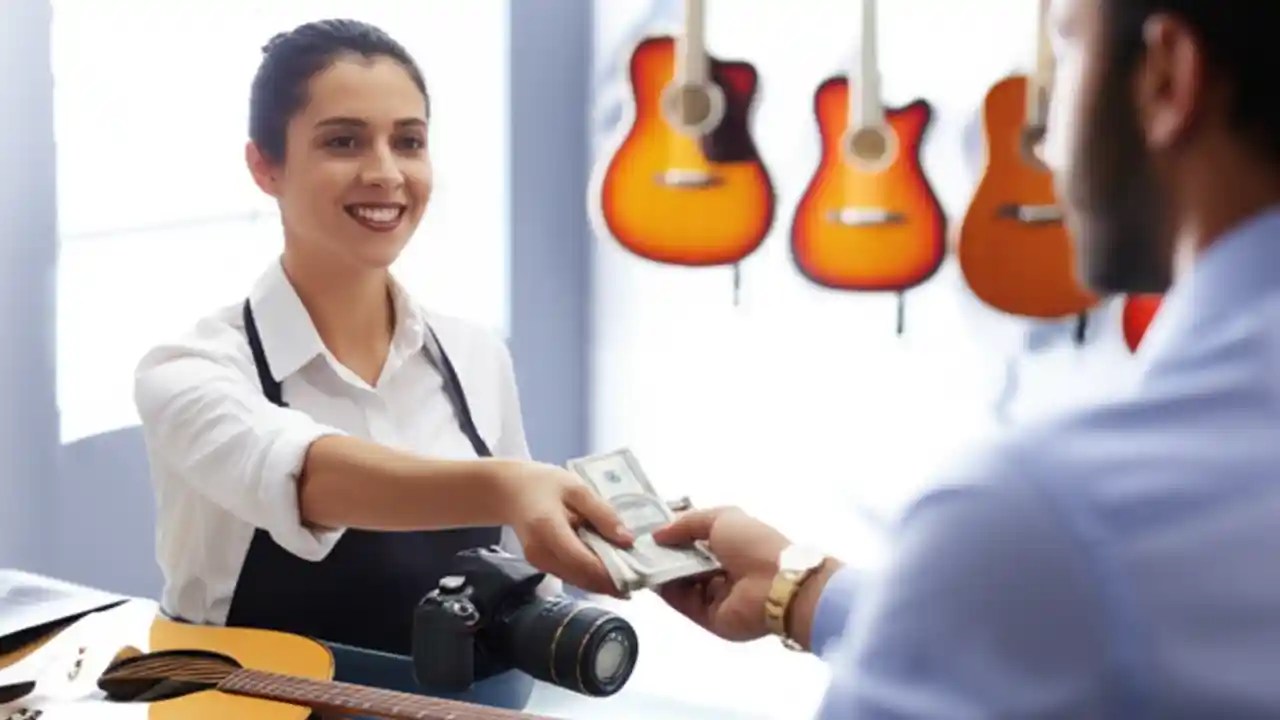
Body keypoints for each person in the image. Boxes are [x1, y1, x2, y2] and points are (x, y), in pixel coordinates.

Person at [654, 1, 1280, 717]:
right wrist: (809, 591)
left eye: (1067, 51)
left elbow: (1071, 583)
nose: (1045, 148)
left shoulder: (1043, 512)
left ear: (1168, 77)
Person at [131, 18, 633, 710]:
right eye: (343, 141)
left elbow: (528, 573)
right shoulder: (187, 371)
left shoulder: (476, 355)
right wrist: (511, 486)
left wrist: (622, 556)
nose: (386, 172)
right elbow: (303, 473)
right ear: (265, 165)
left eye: (409, 141)